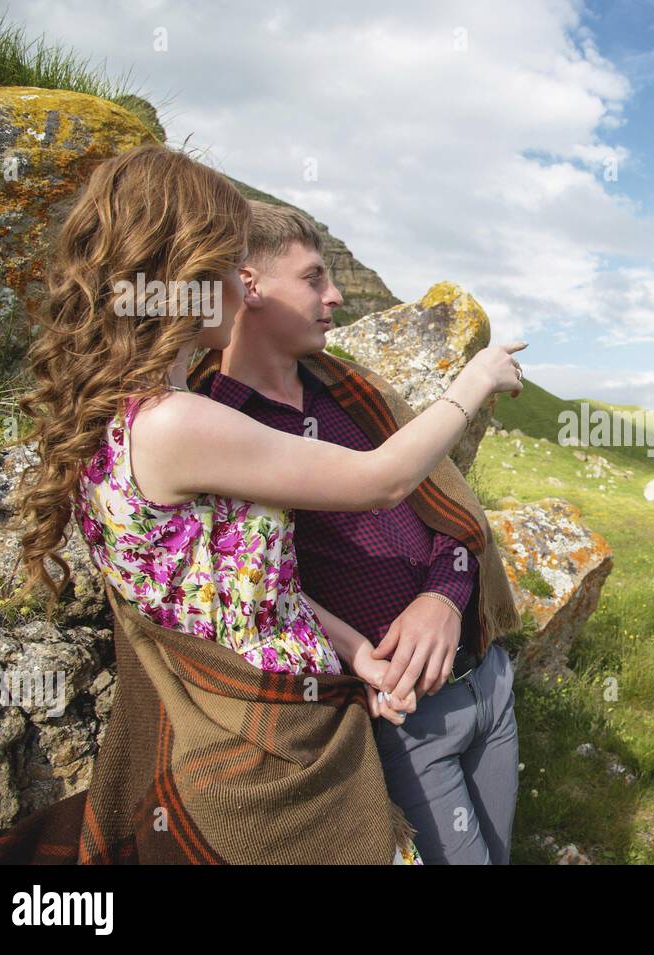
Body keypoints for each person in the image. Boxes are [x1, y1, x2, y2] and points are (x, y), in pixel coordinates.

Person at [8, 142, 525, 864]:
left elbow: (243, 587)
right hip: (273, 751)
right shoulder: (178, 423)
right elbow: (381, 480)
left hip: (291, 718)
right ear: (182, 272)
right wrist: (472, 383)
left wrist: (353, 651)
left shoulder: (128, 420)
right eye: (223, 260)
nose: (235, 281)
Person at [187, 200, 522, 864]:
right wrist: (474, 378)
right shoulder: (211, 428)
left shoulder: (352, 392)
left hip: (487, 679)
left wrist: (444, 597)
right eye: (314, 278)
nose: (335, 295)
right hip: (398, 719)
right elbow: (251, 589)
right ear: (249, 284)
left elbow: (450, 513)